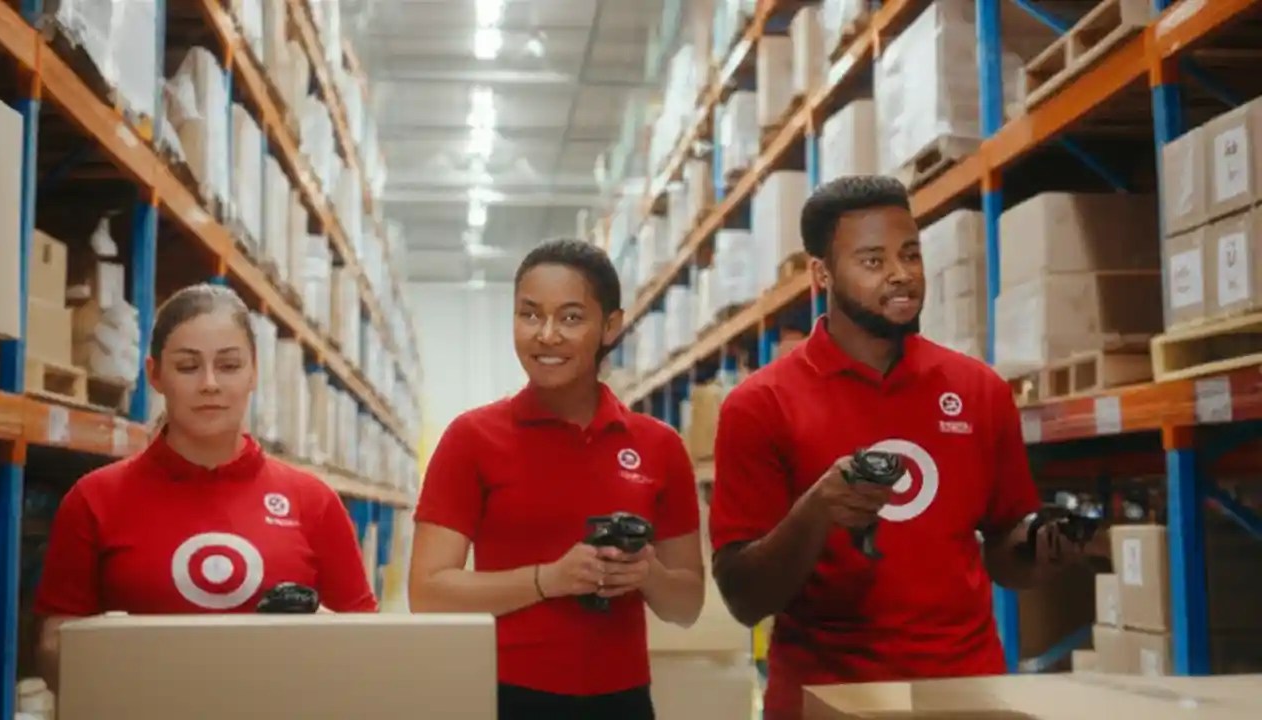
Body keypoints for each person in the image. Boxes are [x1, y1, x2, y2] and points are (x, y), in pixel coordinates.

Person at [707, 176, 1106, 719]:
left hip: (966, 695)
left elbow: (1004, 554)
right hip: (828, 698)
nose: (901, 274)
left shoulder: (978, 389)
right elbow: (743, 597)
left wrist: (1041, 548)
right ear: (821, 273)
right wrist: (818, 510)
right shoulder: (761, 404)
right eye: (873, 261)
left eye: (911, 254)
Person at [409, 238, 705, 720]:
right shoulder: (472, 438)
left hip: (623, 700)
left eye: (571, 317)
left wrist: (646, 574)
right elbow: (427, 592)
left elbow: (686, 604)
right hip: (504, 696)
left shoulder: (659, 446)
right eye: (529, 315)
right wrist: (549, 579)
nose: (546, 335)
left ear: (610, 326)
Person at [33, 283, 377, 690]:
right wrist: (115, 655)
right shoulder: (94, 499)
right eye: (188, 366)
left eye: (229, 366)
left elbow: (367, 650)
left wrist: (317, 627)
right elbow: (53, 650)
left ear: (254, 374)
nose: (210, 384)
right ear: (155, 375)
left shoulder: (313, 502)